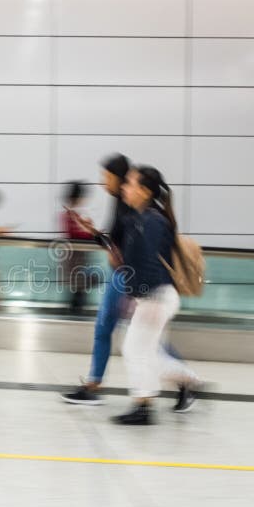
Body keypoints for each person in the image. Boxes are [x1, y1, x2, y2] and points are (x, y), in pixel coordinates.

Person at [60, 154, 187, 408]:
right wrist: (95, 233)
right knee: (132, 337)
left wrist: (137, 289)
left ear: (121, 180)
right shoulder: (122, 203)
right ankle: (176, 387)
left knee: (136, 340)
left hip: (131, 279)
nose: (102, 183)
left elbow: (133, 251)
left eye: (106, 177)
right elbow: (116, 243)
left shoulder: (138, 210)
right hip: (127, 278)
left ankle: (178, 386)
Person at [111, 166, 200, 425]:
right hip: (153, 296)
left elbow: (149, 263)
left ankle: (144, 406)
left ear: (145, 191)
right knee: (146, 352)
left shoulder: (152, 221)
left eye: (129, 183)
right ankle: (187, 381)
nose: (124, 187)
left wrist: (140, 296)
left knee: (135, 349)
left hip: (156, 296)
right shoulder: (140, 218)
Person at [61, 181, 94, 313]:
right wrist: (90, 232)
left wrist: (88, 228)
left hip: (78, 258)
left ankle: (76, 311)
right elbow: (74, 233)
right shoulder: (70, 214)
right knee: (78, 290)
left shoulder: (74, 214)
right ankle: (76, 314)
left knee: (79, 290)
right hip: (75, 257)